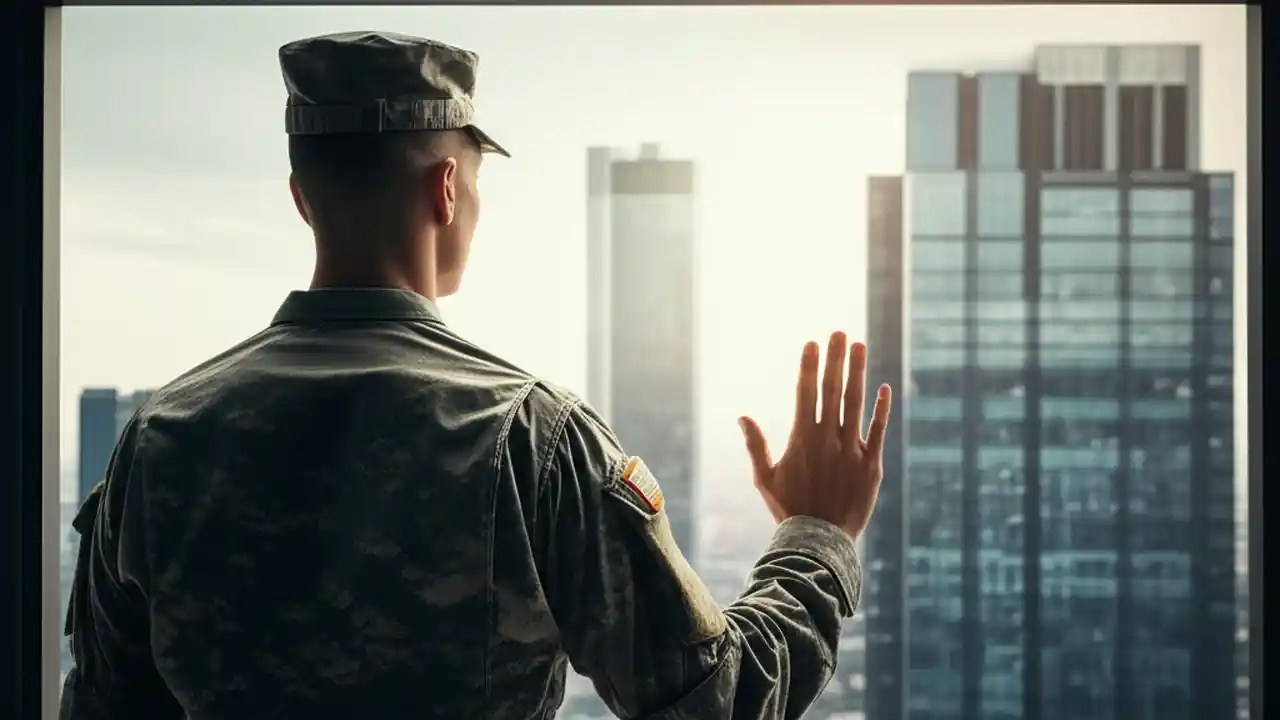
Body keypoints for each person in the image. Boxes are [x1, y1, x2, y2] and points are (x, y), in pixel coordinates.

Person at [60, 31, 893, 720]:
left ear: (301, 198)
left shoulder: (160, 439)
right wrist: (816, 534)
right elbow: (720, 701)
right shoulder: (532, 438)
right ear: (448, 188)